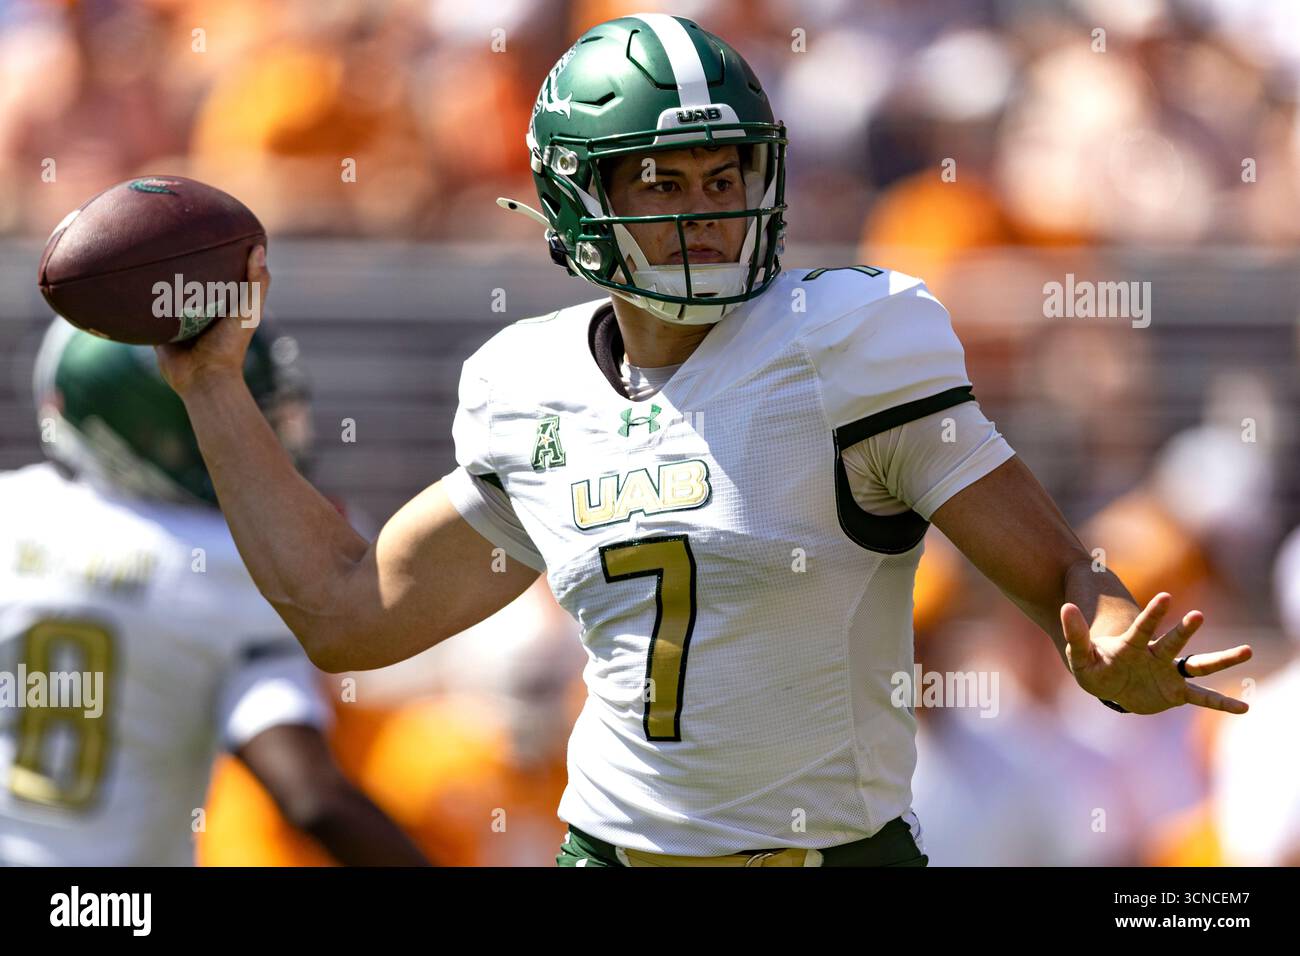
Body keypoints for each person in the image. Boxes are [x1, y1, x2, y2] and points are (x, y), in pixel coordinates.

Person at [155, 14, 1252, 867]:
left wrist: (1108, 645)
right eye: (665, 184)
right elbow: (349, 613)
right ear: (578, 202)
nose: (707, 214)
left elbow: (1061, 568)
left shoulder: (846, 342)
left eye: (723, 177)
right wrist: (211, 385)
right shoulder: (527, 384)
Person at [0, 319, 427, 866]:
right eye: (246, 418)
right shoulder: (231, 565)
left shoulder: (14, 513)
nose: (268, 446)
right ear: (169, 428)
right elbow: (312, 798)